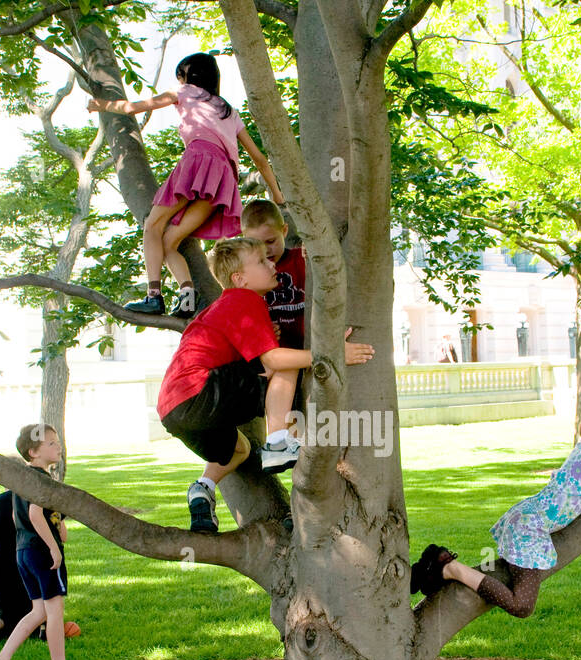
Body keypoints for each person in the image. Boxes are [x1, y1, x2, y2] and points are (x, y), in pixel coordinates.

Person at [157, 237, 374, 533]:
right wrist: (333, 354)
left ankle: (202, 488)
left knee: (240, 449)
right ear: (239, 278)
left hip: (172, 410)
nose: (272, 264)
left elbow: (233, 348)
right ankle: (277, 442)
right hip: (199, 389)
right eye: (261, 261)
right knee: (284, 364)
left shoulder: (225, 306)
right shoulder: (245, 299)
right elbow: (272, 360)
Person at [412, 389, 581, 617]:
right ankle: (450, 568)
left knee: (519, 598)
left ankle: (443, 567)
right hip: (529, 529)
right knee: (522, 605)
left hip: (526, 517)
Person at [88, 52, 285, 320]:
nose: (179, 79)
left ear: (188, 74)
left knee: (152, 226)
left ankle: (153, 296)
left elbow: (132, 108)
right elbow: (260, 159)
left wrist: (101, 105)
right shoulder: (227, 110)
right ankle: (187, 296)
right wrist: (277, 195)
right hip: (222, 178)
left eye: (181, 73)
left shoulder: (183, 91)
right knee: (171, 240)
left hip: (198, 162)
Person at [0, 425, 90, 660]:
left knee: (38, 611)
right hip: (42, 553)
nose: (59, 447)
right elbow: (34, 514)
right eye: (52, 444)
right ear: (33, 452)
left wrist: (57, 528)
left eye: (57, 442)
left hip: (24, 551)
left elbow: (16, 516)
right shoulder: (41, 480)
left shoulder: (22, 481)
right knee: (55, 610)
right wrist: (53, 547)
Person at [0, 490, 80, 639]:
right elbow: (63, 536)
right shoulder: (47, 501)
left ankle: (1, 622)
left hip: (4, 573)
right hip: (39, 567)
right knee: (41, 608)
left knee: (11, 616)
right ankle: (44, 623)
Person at [242, 198, 308, 417]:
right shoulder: (247, 277)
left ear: (285, 230)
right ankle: (279, 442)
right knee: (290, 414)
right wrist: (264, 329)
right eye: (256, 244)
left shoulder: (302, 259)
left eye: (270, 241)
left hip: (309, 351)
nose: (266, 250)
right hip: (279, 359)